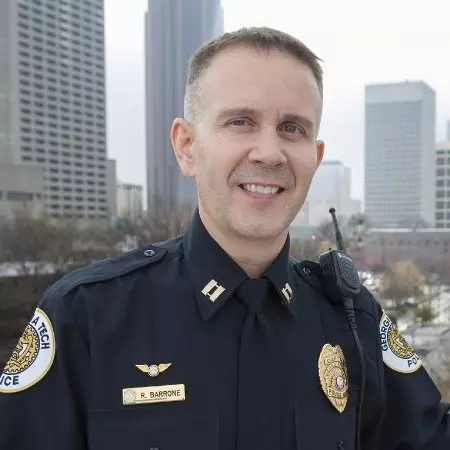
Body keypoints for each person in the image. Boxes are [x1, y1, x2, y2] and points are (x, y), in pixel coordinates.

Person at [0, 27, 448, 450]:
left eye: (292, 128)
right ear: (187, 146)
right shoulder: (87, 316)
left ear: (315, 156)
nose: (269, 152)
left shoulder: (353, 318)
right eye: (240, 122)